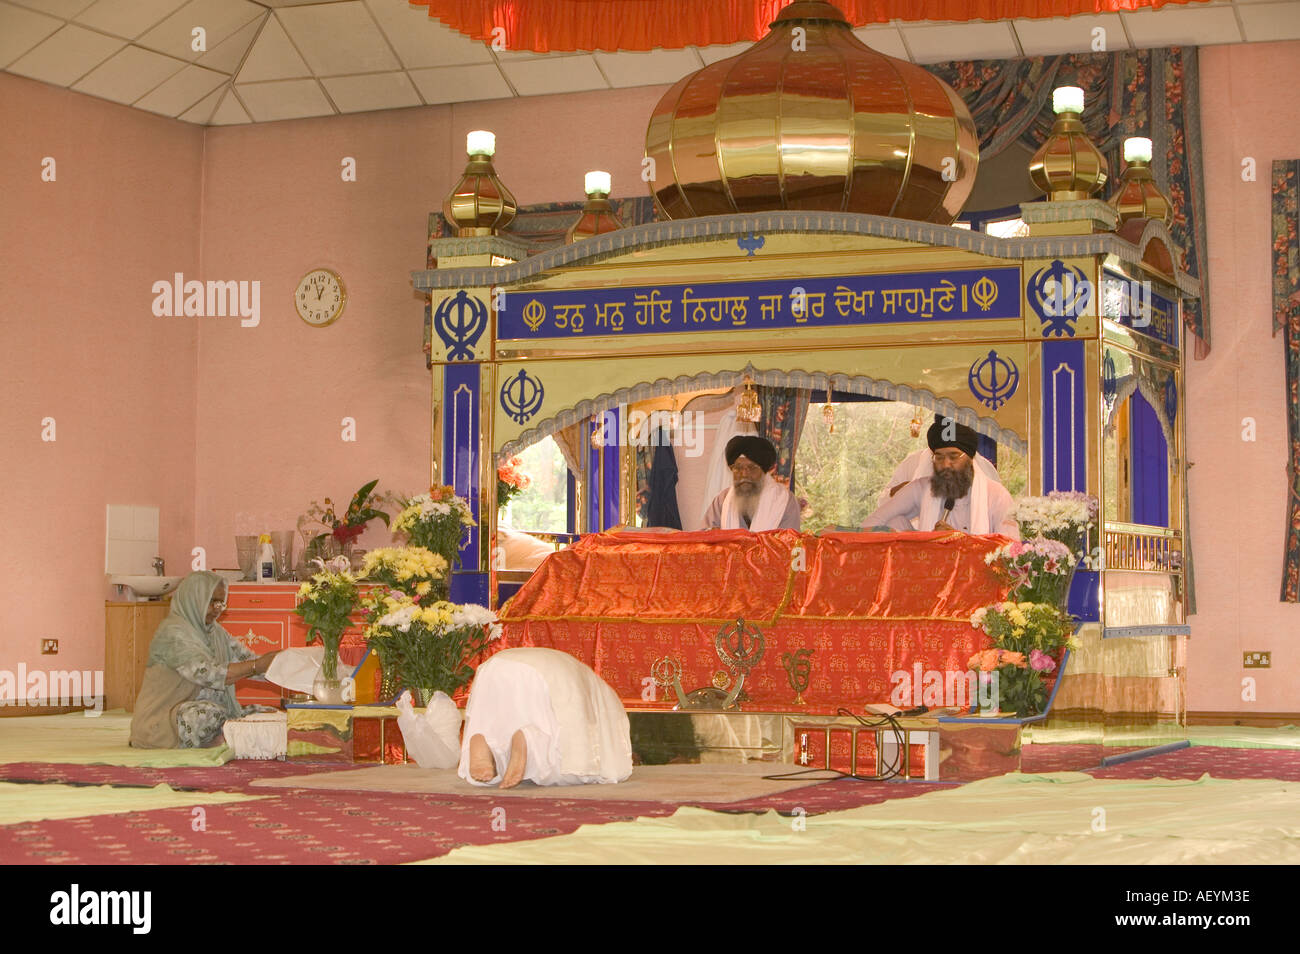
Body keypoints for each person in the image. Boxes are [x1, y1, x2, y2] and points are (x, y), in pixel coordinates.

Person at [129, 571, 281, 749]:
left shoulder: (215, 632)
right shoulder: (173, 633)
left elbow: (247, 660)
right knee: (204, 714)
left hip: (208, 710)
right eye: (212, 602)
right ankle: (219, 739)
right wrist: (256, 666)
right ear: (194, 598)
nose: (217, 609)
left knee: (267, 714)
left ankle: (222, 736)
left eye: (221, 603)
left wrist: (287, 662)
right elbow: (209, 674)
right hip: (162, 721)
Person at [459, 647, 632, 789]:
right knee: (573, 766)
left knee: (500, 725)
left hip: (496, 665)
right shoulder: (612, 709)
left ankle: (486, 740)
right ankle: (529, 739)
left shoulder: (591, 680)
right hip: (550, 673)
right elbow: (585, 749)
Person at [862, 416, 1020, 538]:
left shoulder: (996, 495)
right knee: (893, 524)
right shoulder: (922, 488)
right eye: (939, 457)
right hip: (928, 573)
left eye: (954, 456)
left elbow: (1010, 550)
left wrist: (959, 540)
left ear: (970, 458)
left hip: (976, 578)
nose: (945, 464)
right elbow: (871, 523)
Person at [701, 434, 801, 531]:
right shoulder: (722, 501)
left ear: (764, 470)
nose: (744, 474)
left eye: (752, 468)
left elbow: (788, 543)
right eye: (738, 468)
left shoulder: (785, 501)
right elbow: (705, 539)